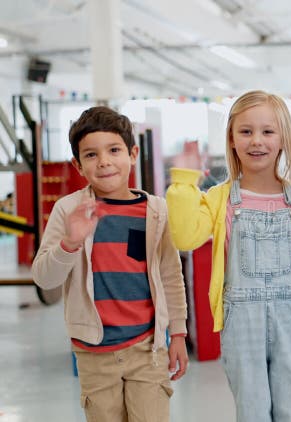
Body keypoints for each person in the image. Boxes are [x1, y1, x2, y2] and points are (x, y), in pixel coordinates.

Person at [166, 91, 291, 422]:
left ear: (283, 139)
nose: (257, 141)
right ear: (232, 140)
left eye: (268, 131)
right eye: (246, 131)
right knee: (251, 410)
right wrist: (183, 180)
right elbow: (184, 235)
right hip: (241, 321)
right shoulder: (220, 198)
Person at [32, 106, 188, 422]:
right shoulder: (68, 210)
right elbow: (44, 278)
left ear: (132, 153)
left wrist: (179, 334)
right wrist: (70, 243)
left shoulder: (155, 211)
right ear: (77, 165)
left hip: (149, 349)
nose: (103, 161)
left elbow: (171, 275)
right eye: (91, 155)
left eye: (114, 150)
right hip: (94, 354)